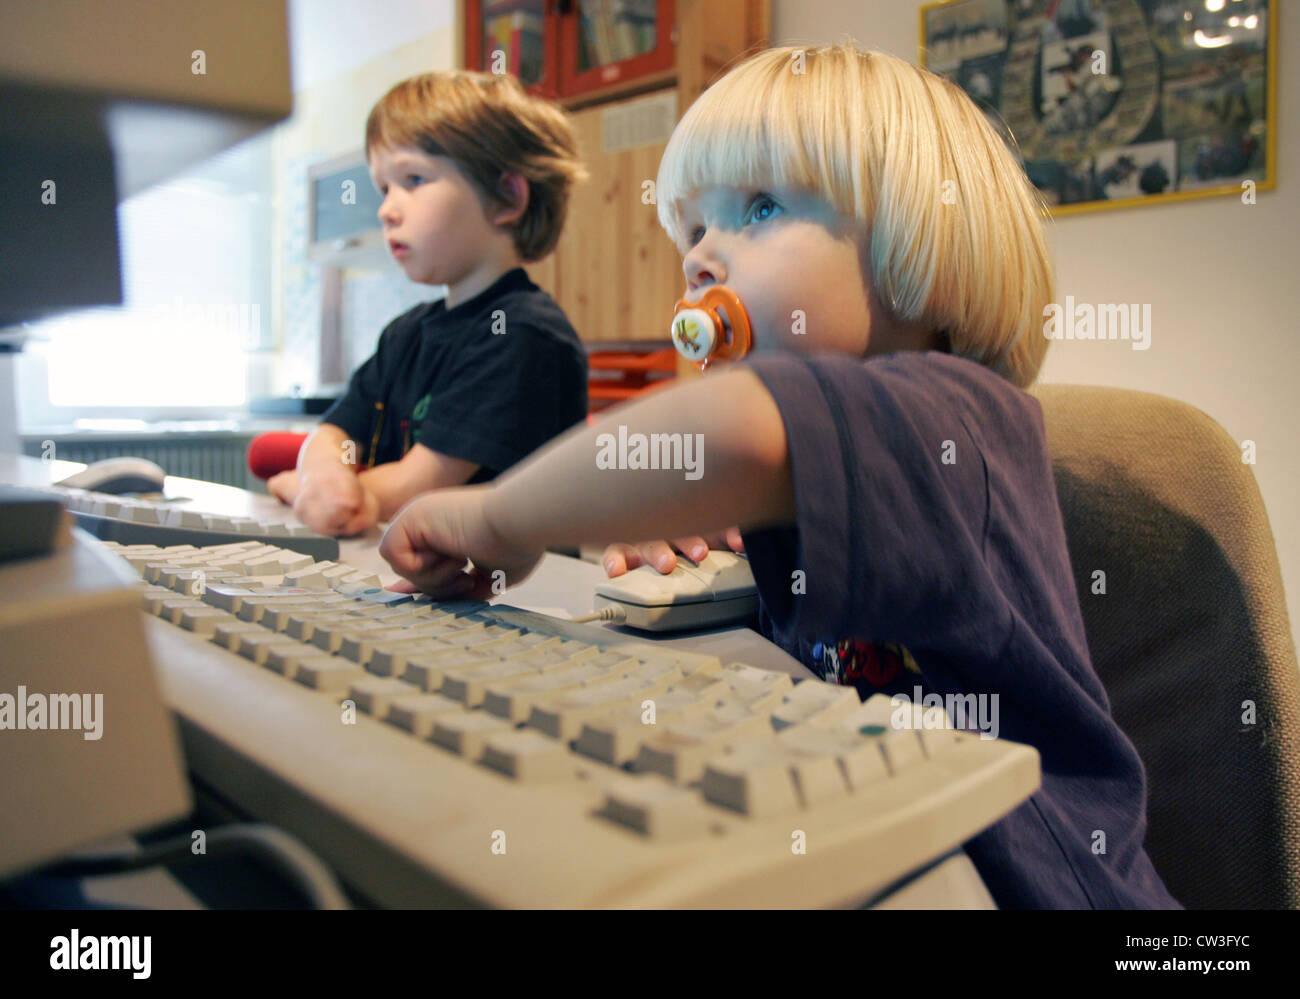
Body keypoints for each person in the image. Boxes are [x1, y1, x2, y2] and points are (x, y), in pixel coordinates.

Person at [377, 44, 1180, 909]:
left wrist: (499, 519)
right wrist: (701, 516)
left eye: (758, 209)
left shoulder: (956, 415)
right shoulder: (824, 458)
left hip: (1034, 883)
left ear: (919, 238)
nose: (700, 259)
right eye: (692, 230)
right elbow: (742, 461)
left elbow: (736, 435)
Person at [268, 70, 590, 536]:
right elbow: (334, 432)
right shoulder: (406, 333)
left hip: (510, 593)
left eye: (413, 179)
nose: (385, 209)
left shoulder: (522, 333)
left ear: (506, 197)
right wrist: (320, 473)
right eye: (383, 188)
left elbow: (419, 486)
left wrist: (312, 493)